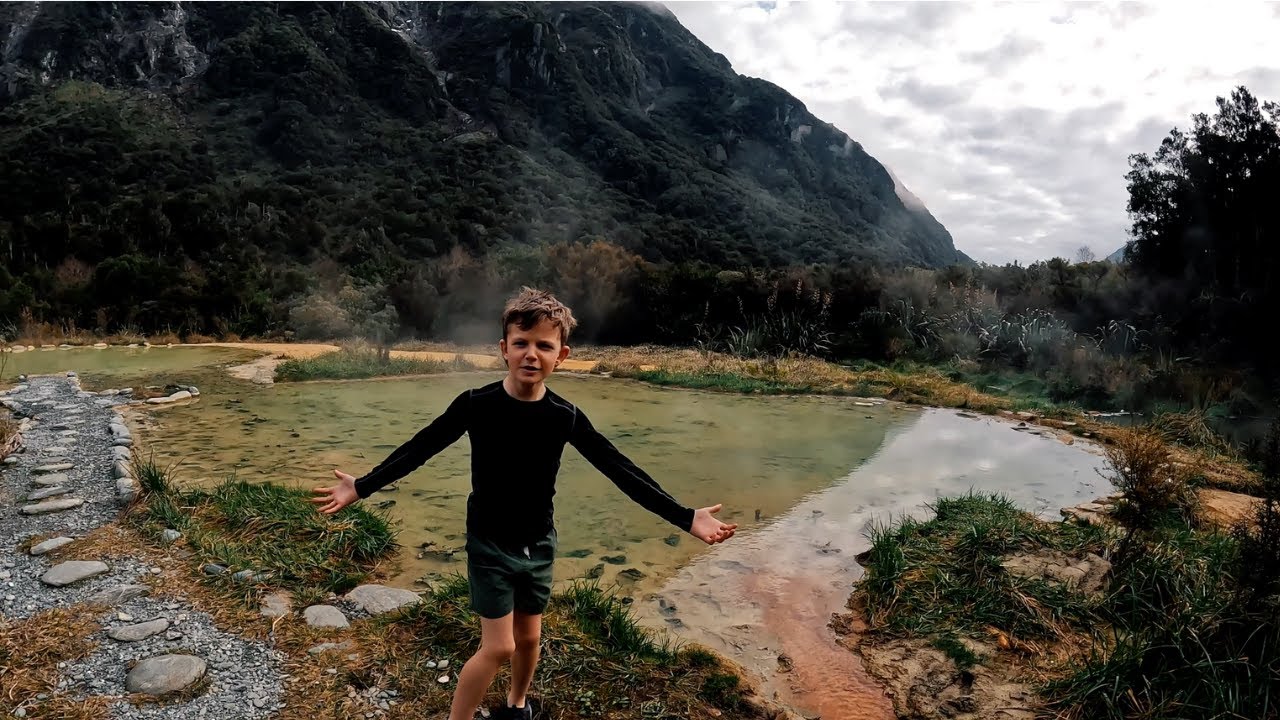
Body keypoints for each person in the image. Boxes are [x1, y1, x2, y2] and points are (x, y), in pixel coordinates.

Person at [311, 286, 738, 720]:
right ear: (504, 349)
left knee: (530, 639)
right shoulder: (476, 405)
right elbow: (420, 448)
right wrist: (361, 486)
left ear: (562, 355)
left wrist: (685, 517)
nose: (531, 354)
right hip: (490, 544)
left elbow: (620, 469)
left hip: (538, 544)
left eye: (543, 345)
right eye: (521, 343)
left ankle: (517, 705)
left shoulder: (564, 416)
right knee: (499, 645)